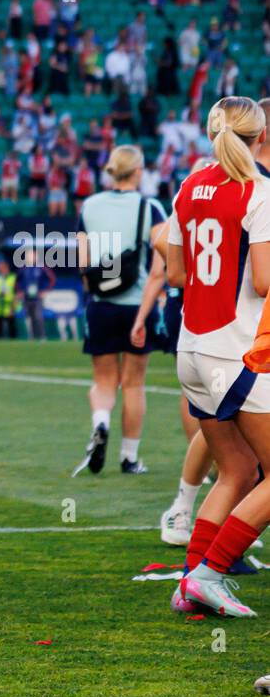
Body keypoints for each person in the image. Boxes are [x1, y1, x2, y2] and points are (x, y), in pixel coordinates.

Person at [171, 97, 270, 620]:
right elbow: (263, 280)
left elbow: (172, 272)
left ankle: (192, 581)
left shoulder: (189, 186)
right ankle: (209, 576)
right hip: (237, 351)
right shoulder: (258, 190)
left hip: (191, 346)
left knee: (234, 469)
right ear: (260, 135)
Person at [136, 158, 218, 549]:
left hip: (205, 320)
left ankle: (198, 518)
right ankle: (197, 521)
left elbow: (162, 255)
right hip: (216, 321)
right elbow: (164, 258)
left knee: (223, 428)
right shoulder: (235, 185)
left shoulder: (204, 186)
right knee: (219, 422)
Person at [74, 145, 168, 475]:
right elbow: (163, 255)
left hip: (101, 306)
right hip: (136, 304)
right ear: (138, 171)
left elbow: (83, 261)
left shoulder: (90, 205)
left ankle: (101, 423)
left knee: (103, 381)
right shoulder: (150, 207)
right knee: (133, 384)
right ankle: (129, 457)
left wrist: (95, 288)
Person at [0, 260, 17, 338]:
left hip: (9, 306)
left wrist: (13, 307)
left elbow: (15, 293)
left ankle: (14, 344)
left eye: (0, 267)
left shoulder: (13, 278)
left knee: (11, 328)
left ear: (5, 267)